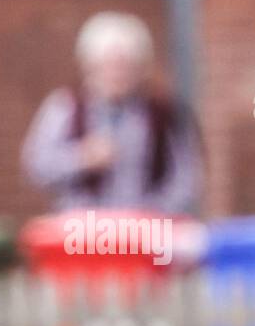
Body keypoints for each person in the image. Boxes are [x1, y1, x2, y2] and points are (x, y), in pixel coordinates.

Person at [21, 12, 203, 214]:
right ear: (89, 66)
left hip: (144, 233)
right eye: (109, 66)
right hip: (80, 231)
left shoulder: (164, 114)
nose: (117, 74)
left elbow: (187, 178)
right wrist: (81, 157)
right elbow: (35, 167)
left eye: (126, 66)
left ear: (141, 68)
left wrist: (154, 214)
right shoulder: (65, 107)